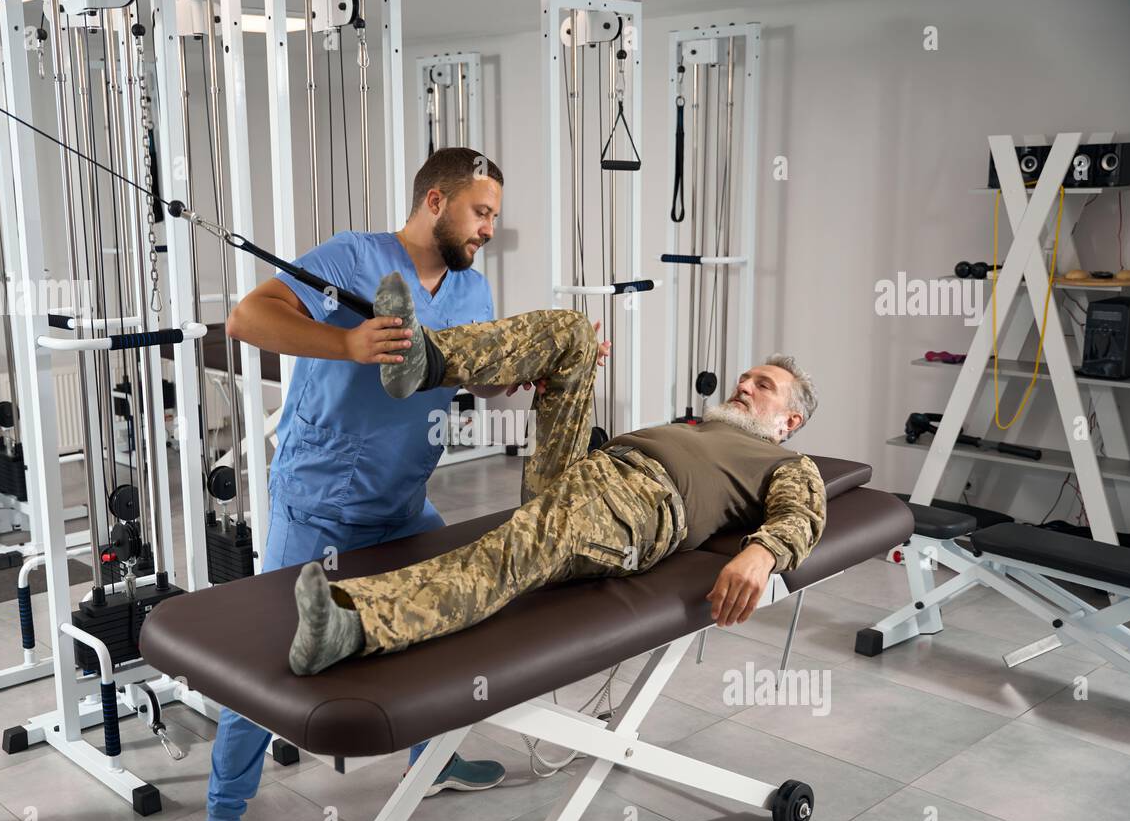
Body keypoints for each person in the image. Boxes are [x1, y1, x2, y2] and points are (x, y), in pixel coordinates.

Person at [196, 148, 606, 821]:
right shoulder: (354, 259)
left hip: (404, 500)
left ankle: (431, 762)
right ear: (437, 201)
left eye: (495, 219)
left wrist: (528, 380)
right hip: (318, 503)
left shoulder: (472, 293)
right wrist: (346, 342)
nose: (488, 230)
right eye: (482, 213)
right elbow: (246, 318)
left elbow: (467, 377)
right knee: (271, 666)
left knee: (444, 620)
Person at [287, 274, 826, 674]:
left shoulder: (788, 464)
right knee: (573, 334)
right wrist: (568, 376)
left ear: (789, 421)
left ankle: (354, 624)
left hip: (636, 509)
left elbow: (802, 514)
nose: (745, 384)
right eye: (747, 376)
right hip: (590, 470)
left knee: (512, 547)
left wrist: (763, 553)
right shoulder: (700, 427)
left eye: (764, 386)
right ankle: (424, 360)